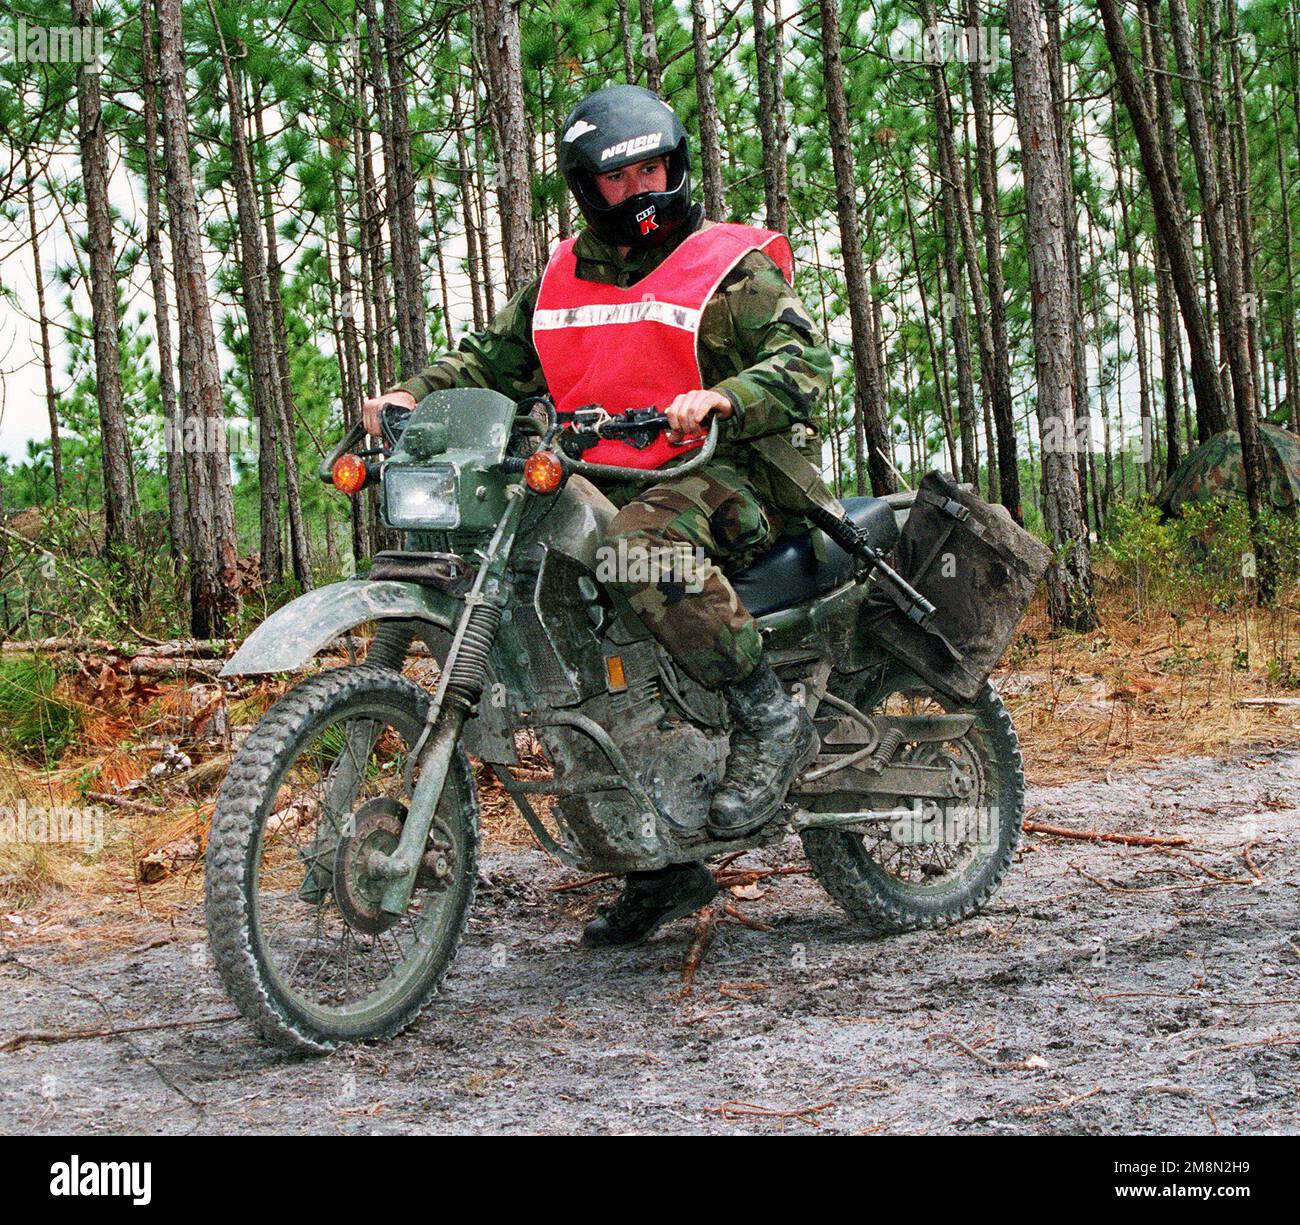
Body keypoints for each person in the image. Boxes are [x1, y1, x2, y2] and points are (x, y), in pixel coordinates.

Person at [363, 85, 833, 947]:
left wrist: (723, 398)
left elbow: (804, 363)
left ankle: (768, 715)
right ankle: (658, 864)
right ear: (589, 188)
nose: (644, 188)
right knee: (564, 633)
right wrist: (409, 394)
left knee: (634, 548)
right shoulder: (562, 276)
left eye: (655, 168)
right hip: (602, 474)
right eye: (622, 177)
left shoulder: (729, 264)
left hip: (728, 475)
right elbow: (492, 360)